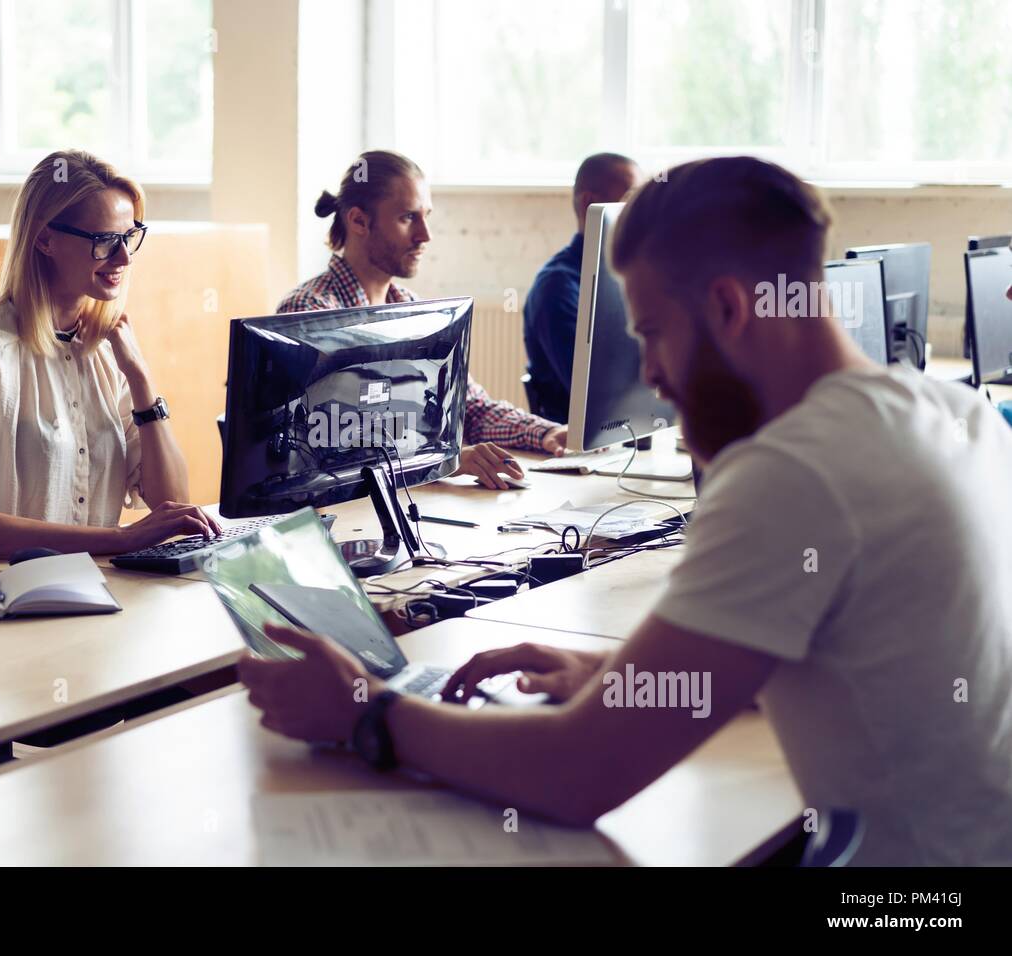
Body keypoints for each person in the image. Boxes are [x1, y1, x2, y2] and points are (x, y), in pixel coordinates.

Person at [241, 155, 1012, 866]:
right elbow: (855, 651)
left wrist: (362, 712)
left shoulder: (794, 471)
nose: (648, 371)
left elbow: (577, 773)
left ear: (728, 307)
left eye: (650, 333)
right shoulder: (954, 415)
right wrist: (623, 677)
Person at [0, 149, 220, 569]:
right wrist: (122, 539)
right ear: (45, 239)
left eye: (129, 237)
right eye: (104, 241)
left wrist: (142, 381)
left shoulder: (108, 348)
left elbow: (171, 505)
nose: (124, 258)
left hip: (85, 593)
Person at [277, 150, 569, 491]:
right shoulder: (308, 313)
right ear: (358, 221)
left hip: (411, 504)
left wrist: (548, 432)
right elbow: (317, 445)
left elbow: (468, 408)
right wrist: (444, 458)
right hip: (341, 515)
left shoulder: (412, 310)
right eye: (407, 218)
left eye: (425, 216)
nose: (425, 235)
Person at [523, 152, 640, 422]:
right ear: (589, 202)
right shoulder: (558, 286)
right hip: (577, 444)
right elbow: (592, 392)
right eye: (629, 199)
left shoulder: (620, 277)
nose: (637, 212)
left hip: (627, 432)